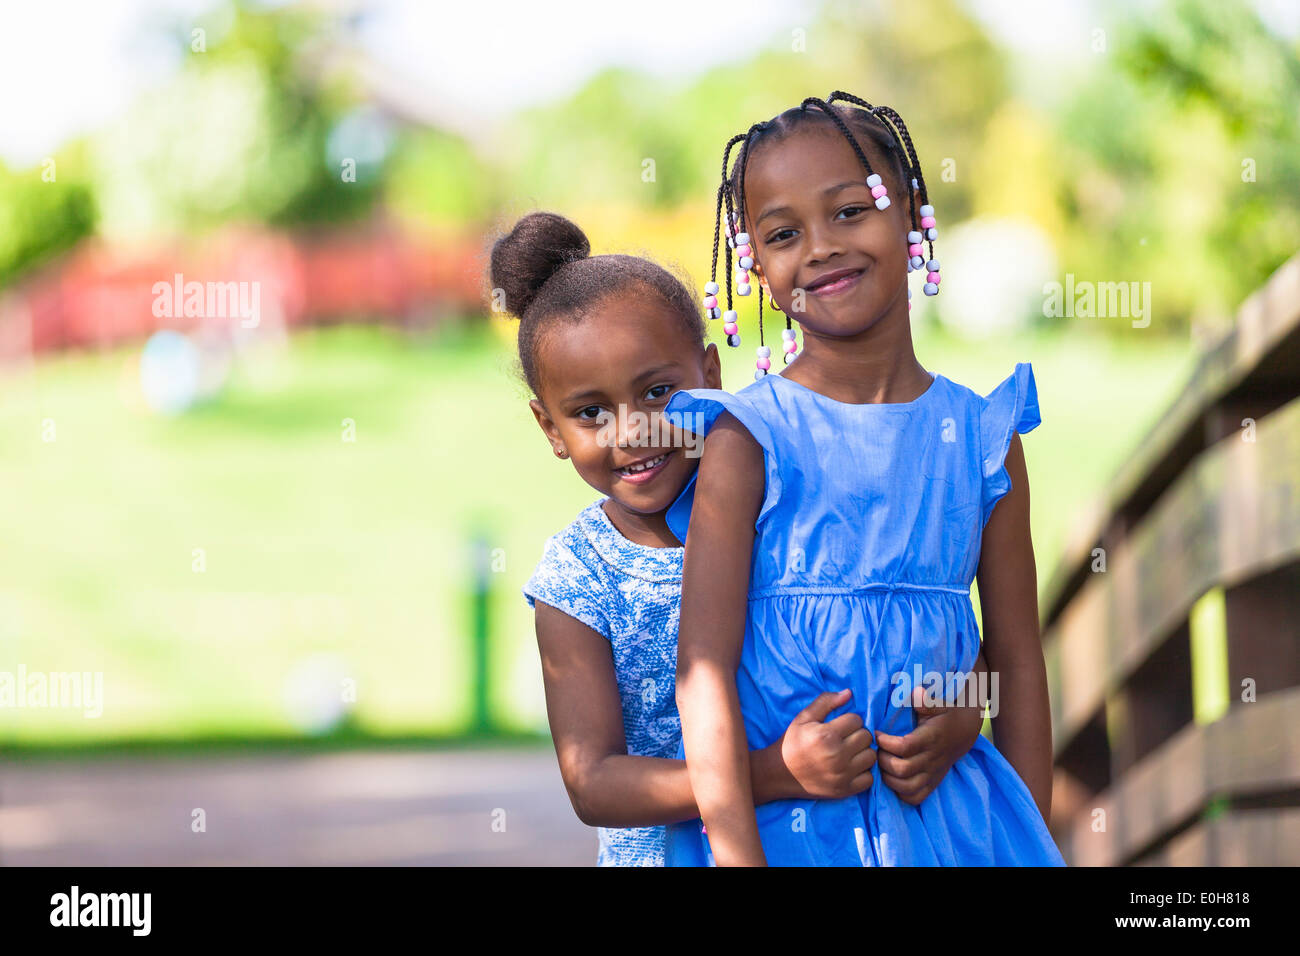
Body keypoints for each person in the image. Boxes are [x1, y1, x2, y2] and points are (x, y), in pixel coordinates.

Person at [492, 210, 991, 865]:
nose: (632, 430)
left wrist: (962, 713)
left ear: (710, 375)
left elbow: (923, 624)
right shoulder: (580, 579)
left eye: (658, 392)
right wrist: (774, 773)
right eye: (589, 412)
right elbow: (594, 783)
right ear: (550, 428)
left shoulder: (788, 508)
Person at [663, 93, 1066, 865]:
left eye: (849, 212)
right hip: (794, 839)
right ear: (754, 261)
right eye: (783, 233)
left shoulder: (984, 442)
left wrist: (965, 714)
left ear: (912, 213)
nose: (818, 248)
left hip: (957, 832)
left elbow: (1013, 661)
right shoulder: (747, 441)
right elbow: (702, 673)